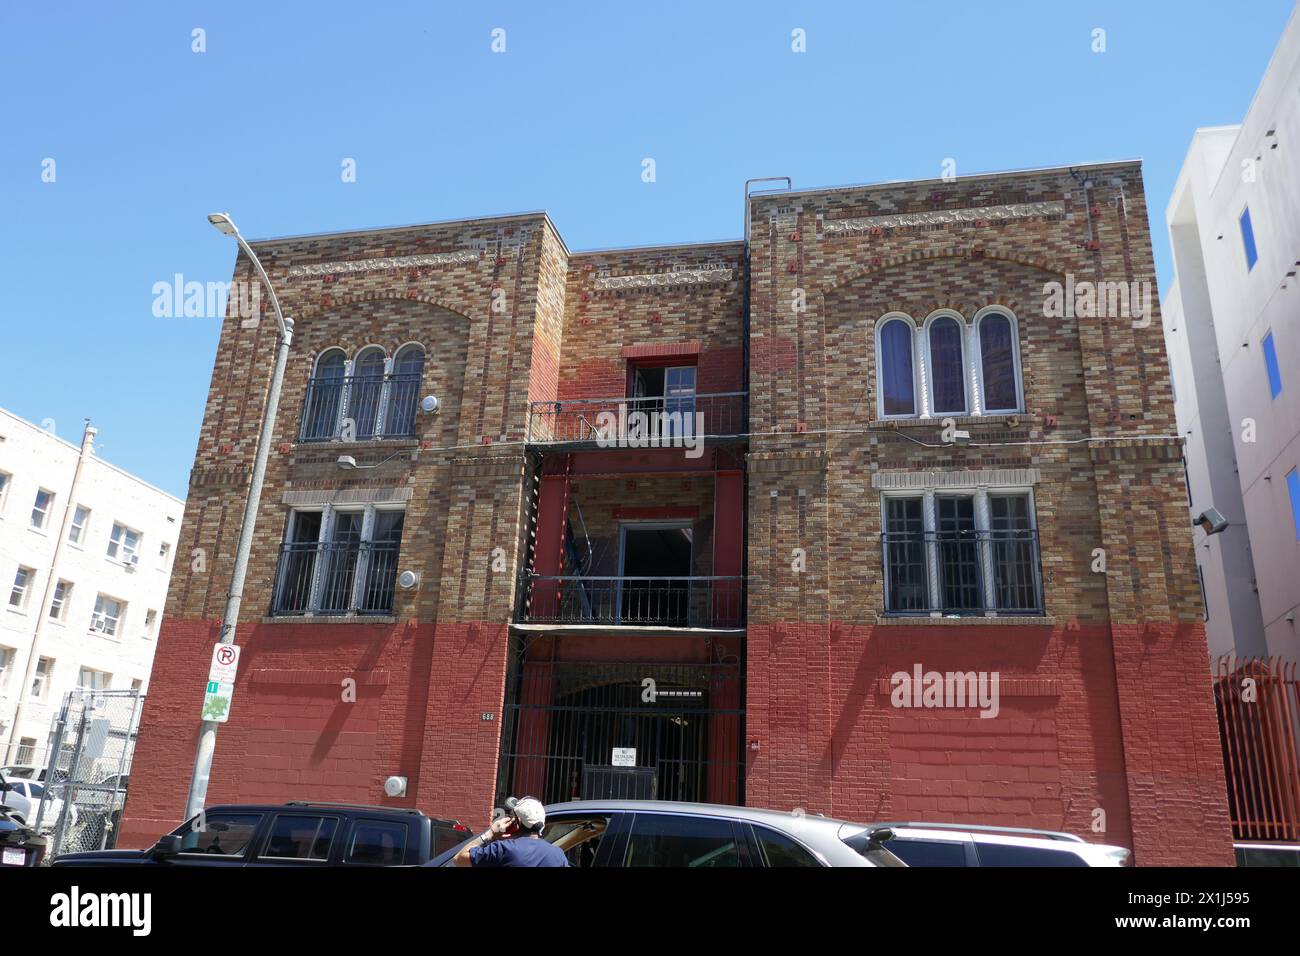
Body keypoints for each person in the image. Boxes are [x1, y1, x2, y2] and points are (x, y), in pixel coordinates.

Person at [453, 797, 569, 867]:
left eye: (511, 816)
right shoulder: (558, 855)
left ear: (517, 822)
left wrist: (491, 834)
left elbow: (459, 859)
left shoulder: (504, 849)